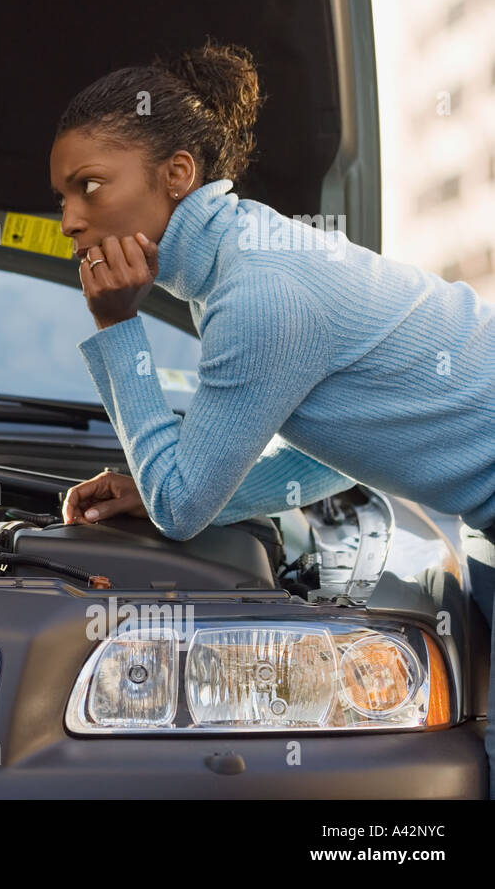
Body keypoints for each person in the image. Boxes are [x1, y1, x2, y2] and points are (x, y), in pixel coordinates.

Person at [50, 38, 495, 786]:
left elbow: (181, 507)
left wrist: (116, 324)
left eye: (88, 186)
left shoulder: (258, 293)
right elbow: (336, 451)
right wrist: (193, 482)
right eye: (62, 194)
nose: (67, 219)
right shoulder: (250, 256)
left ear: (178, 174)